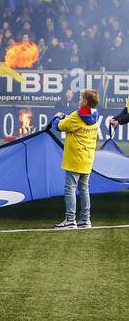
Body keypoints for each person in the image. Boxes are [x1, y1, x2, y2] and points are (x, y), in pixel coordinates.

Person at [52, 88, 100, 230]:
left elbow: (59, 126)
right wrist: (67, 117)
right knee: (84, 188)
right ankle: (86, 220)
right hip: (88, 157)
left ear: (85, 102)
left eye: (80, 98)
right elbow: (76, 122)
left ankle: (70, 220)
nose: (79, 100)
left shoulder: (76, 116)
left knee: (70, 188)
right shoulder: (96, 114)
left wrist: (56, 116)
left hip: (75, 158)